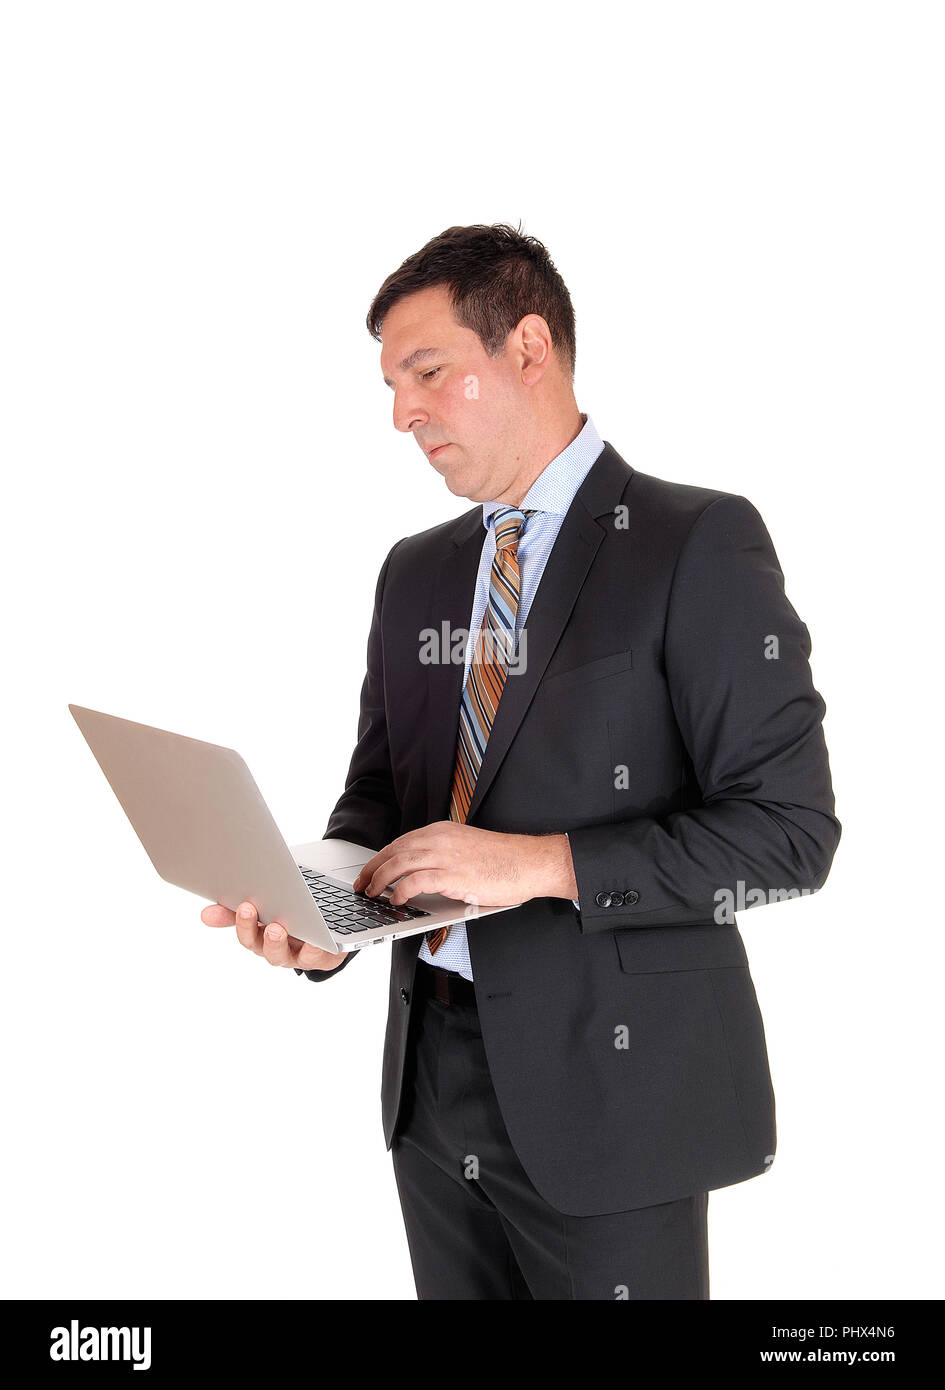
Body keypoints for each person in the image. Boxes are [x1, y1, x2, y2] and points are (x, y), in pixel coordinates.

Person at [201, 223, 840, 1300]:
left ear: (529, 348)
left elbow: (789, 834)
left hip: (614, 1093)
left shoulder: (694, 543)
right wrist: (324, 921)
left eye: (428, 372)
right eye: (393, 384)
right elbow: (379, 800)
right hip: (430, 1089)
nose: (402, 412)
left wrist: (538, 863)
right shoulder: (416, 574)